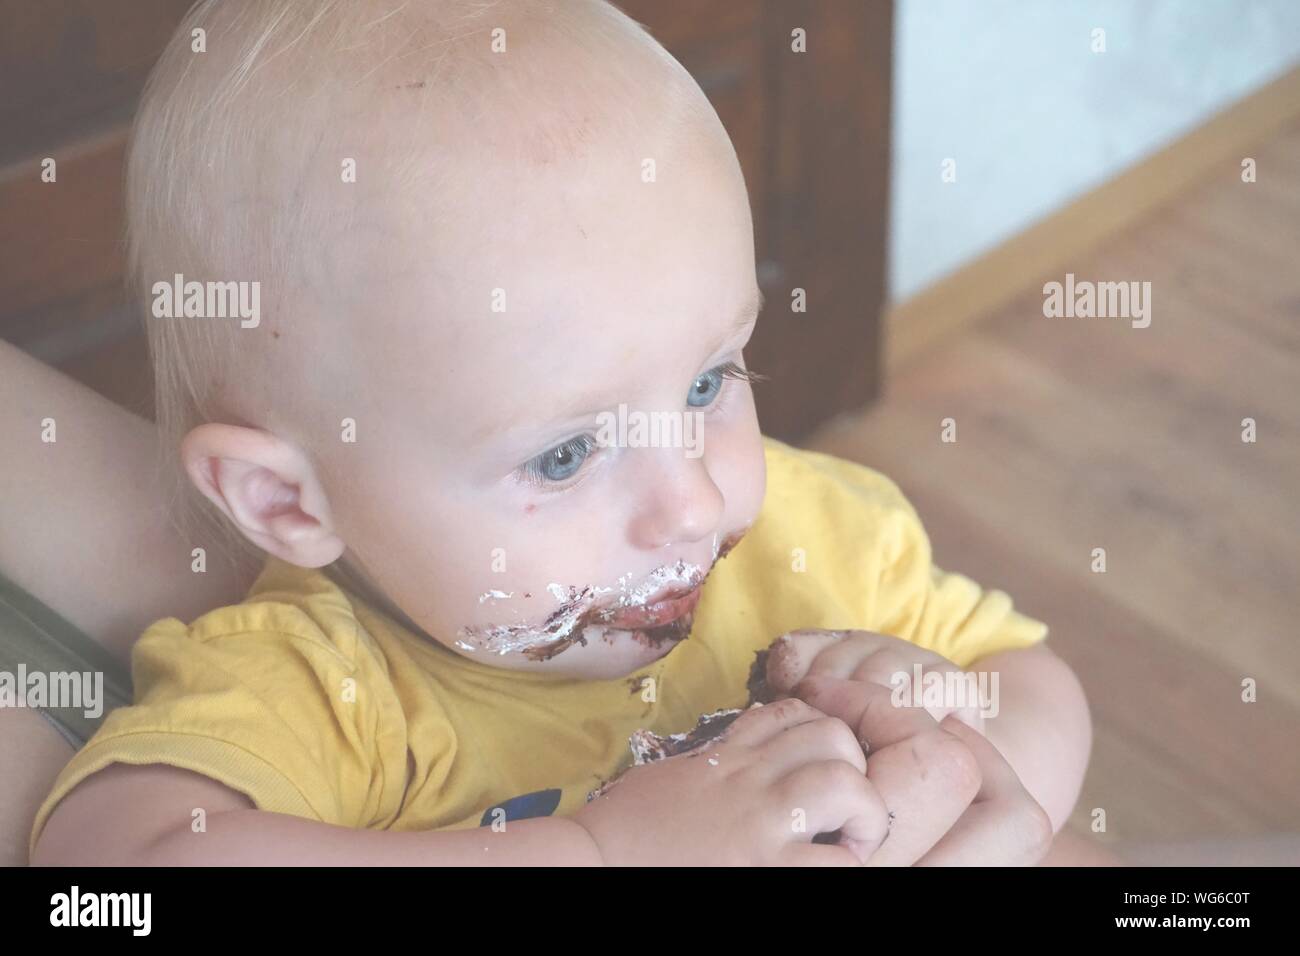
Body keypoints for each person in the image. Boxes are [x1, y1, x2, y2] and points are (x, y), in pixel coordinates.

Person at [20, 0, 1091, 866]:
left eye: (709, 379)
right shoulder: (325, 686)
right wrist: (595, 849)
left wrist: (950, 726)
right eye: (566, 454)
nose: (695, 501)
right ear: (286, 503)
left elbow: (1029, 677)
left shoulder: (818, 542)